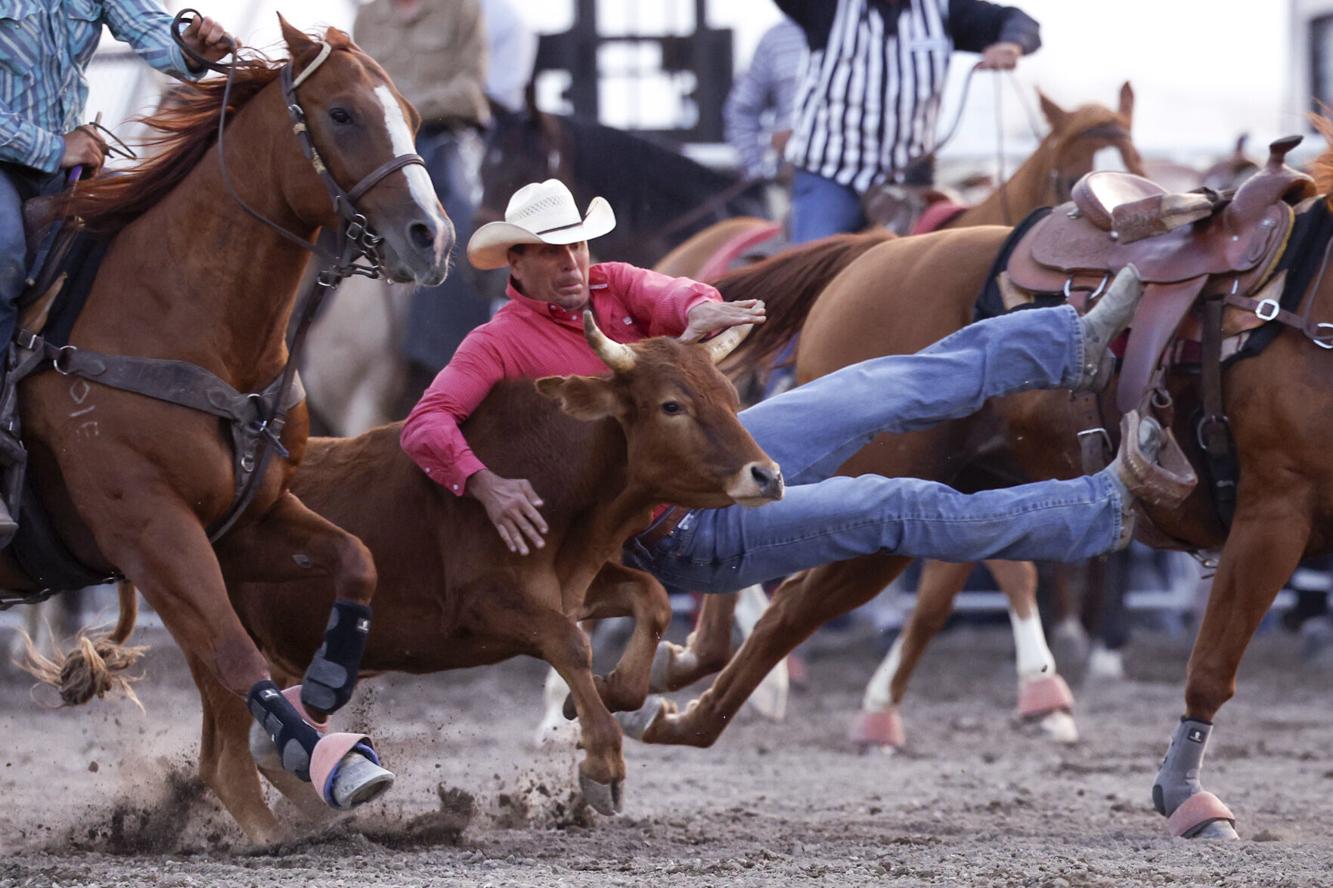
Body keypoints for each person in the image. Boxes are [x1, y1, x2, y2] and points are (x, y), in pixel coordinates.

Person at [400, 178, 1181, 595]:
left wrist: (705, 310)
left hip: (725, 449)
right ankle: (1100, 510)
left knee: (880, 381)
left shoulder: (611, 282)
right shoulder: (496, 345)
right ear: (517, 266)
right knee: (894, 504)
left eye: (577, 245)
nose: (572, 263)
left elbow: (673, 295)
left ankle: (1070, 343)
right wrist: (486, 484)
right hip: (678, 531)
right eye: (551, 251)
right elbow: (425, 425)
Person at [0, 3, 233, 535]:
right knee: (5, 256)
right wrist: (52, 147)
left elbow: (152, 28)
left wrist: (193, 52)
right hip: (24, 159)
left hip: (68, 164)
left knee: (132, 254)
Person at [778, 0, 1041, 243]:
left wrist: (1011, 44)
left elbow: (1018, 21)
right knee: (816, 267)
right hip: (831, 176)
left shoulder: (944, 9)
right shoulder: (826, 8)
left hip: (910, 182)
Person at [354, 0, 492, 404]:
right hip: (377, 149)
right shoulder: (367, 17)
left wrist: (401, 109)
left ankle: (443, 356)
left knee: (461, 218)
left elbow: (470, 90)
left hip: (441, 139)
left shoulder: (462, 10)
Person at [723, 18, 807, 185]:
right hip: (792, 178)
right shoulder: (777, 37)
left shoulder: (869, 24)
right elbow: (741, 110)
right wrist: (758, 171)